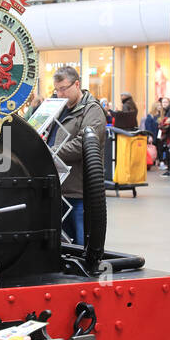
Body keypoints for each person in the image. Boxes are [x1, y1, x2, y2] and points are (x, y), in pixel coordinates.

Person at [48, 66, 106, 245]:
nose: (59, 94)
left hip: (79, 192)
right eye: (56, 90)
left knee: (82, 246)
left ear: (77, 84)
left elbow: (84, 144)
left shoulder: (91, 110)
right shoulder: (59, 108)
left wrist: (50, 152)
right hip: (60, 188)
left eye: (63, 88)